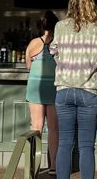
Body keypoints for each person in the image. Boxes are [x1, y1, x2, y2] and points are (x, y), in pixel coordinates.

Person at [49, 0, 97, 179]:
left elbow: (53, 51)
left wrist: (65, 65)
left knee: (65, 144)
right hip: (89, 91)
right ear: (91, 5)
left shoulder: (60, 27)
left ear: (71, 6)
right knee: (86, 146)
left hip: (64, 90)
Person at [25, 10, 59, 175]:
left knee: (36, 127)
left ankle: (33, 166)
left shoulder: (32, 44)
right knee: (54, 129)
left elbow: (28, 67)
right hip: (53, 88)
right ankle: (54, 166)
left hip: (35, 89)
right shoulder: (59, 44)